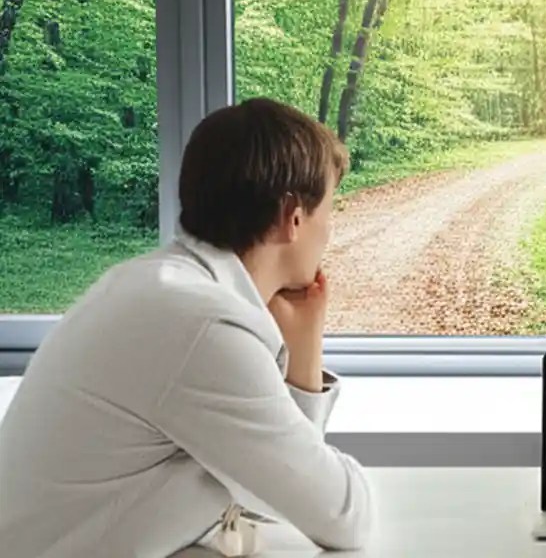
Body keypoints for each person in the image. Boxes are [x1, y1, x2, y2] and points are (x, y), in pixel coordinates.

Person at [0, 99, 372, 557]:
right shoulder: (204, 328)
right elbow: (343, 514)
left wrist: (302, 351)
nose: (329, 232)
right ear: (292, 217)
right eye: (329, 212)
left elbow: (278, 490)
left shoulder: (151, 283)